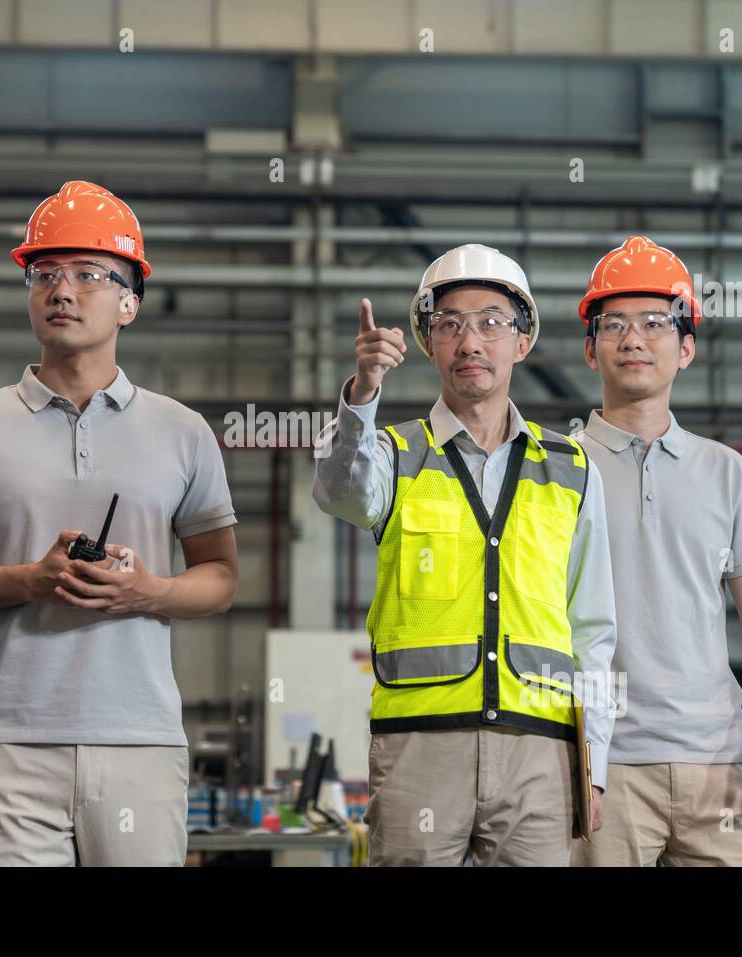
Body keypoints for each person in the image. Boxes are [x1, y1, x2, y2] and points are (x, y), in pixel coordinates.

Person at [0, 180, 239, 866]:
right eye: (45, 273)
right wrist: (29, 578)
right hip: (10, 746)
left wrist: (145, 591)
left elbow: (222, 576)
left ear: (130, 302)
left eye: (90, 274)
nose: (63, 290)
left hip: (140, 743)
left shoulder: (183, 431)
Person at [313, 244, 617, 866]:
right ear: (428, 342)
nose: (469, 340)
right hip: (419, 747)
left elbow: (593, 628)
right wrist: (363, 396)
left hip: (540, 751)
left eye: (490, 322)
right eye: (449, 323)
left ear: (522, 341)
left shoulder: (571, 466)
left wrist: (596, 760)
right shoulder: (394, 453)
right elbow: (339, 492)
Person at [570, 235, 742, 867]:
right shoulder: (556, 468)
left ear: (686, 347)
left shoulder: (725, 472)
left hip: (718, 766)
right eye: (613, 324)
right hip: (599, 766)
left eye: (654, 323)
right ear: (590, 349)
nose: (633, 339)